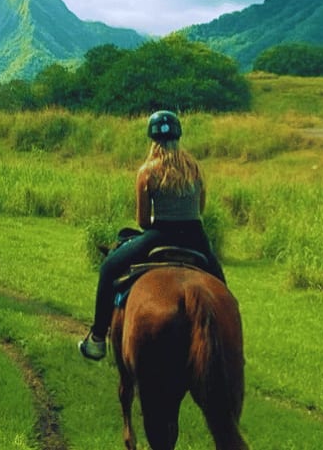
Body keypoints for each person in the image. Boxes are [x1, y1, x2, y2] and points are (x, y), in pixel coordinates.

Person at [78, 110, 226, 360]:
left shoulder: (147, 171)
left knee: (108, 269)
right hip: (195, 237)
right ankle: (226, 346)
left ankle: (97, 339)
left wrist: (162, 219)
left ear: (152, 139)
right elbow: (199, 209)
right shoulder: (195, 168)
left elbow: (143, 221)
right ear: (179, 136)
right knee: (222, 289)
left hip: (159, 235)